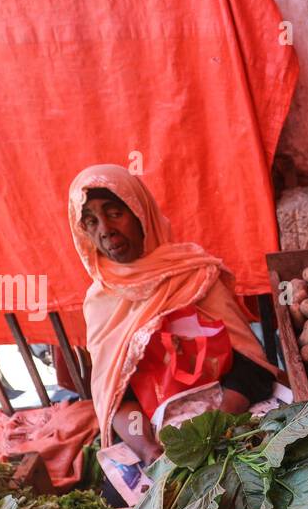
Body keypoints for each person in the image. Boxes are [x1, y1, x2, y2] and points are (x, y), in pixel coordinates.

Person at [68, 164, 276, 464]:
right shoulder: (101, 303)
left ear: (141, 214)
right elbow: (117, 398)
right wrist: (148, 450)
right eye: (91, 221)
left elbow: (250, 369)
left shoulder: (194, 274)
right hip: (158, 435)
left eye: (115, 213)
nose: (105, 230)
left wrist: (212, 429)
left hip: (228, 414)